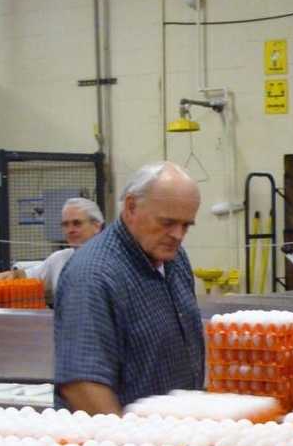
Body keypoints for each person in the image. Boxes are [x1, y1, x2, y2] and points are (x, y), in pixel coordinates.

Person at [53, 162, 205, 414]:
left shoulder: (175, 259)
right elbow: (81, 385)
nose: (178, 234)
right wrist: (129, 444)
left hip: (173, 437)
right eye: (167, 223)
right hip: (124, 445)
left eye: (186, 225)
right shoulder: (93, 275)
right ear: (131, 207)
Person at [0, 197, 104, 305]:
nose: (70, 230)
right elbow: (27, 276)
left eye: (77, 223)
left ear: (96, 226)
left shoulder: (111, 260)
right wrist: (10, 276)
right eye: (65, 224)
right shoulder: (60, 259)